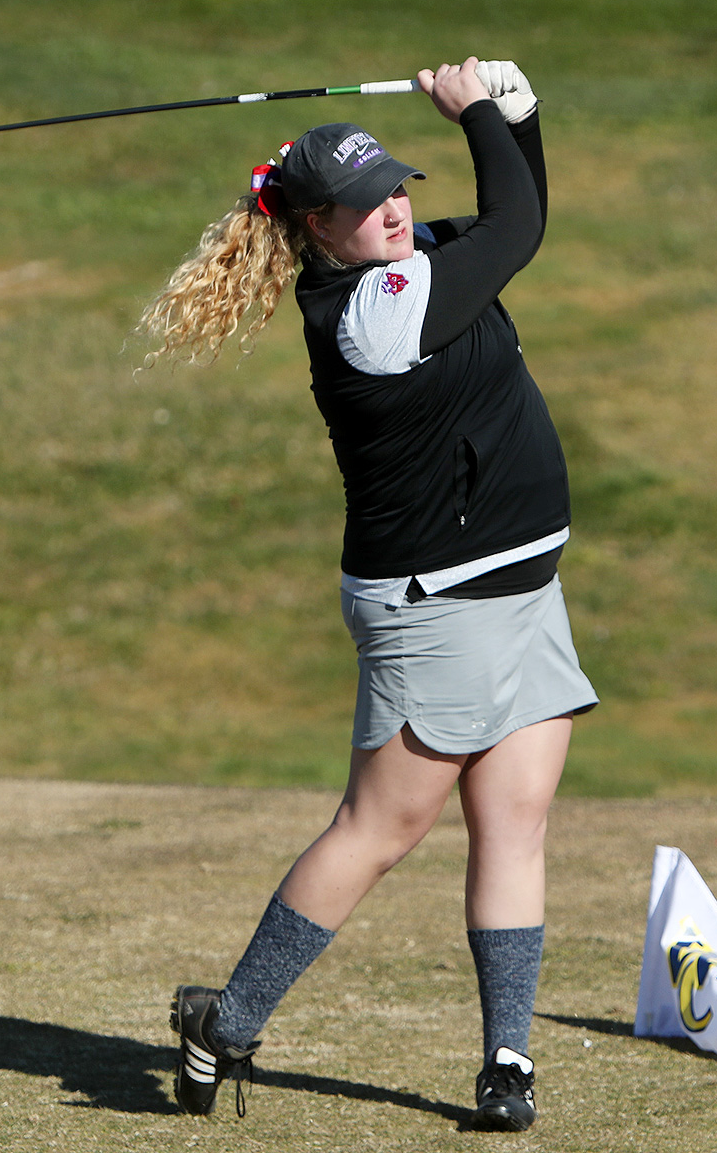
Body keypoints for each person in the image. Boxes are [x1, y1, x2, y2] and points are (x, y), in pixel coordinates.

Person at [138, 57, 596, 1133]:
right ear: (315, 229)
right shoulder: (376, 312)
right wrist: (481, 110)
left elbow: (507, 214)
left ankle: (507, 1065)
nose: (393, 209)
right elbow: (517, 231)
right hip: (435, 605)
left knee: (516, 821)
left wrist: (520, 112)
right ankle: (229, 1019)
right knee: (380, 829)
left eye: (395, 186)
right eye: (362, 205)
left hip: (519, 588)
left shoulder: (414, 257)